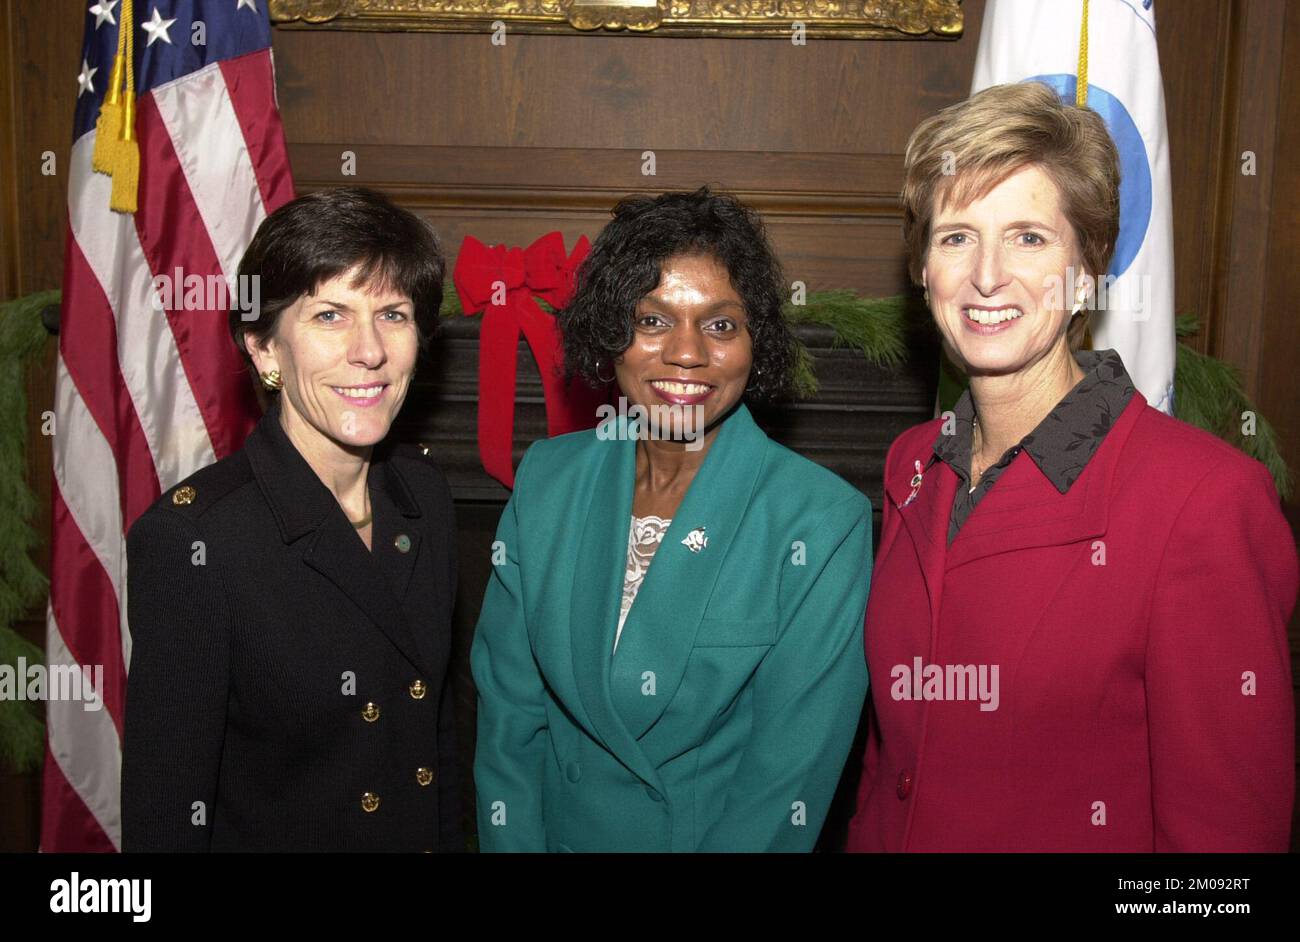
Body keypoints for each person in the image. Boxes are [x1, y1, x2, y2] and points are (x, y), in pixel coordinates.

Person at [846, 82, 1298, 852]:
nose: (987, 275)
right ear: (923, 268)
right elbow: (895, 762)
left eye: (1028, 237)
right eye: (956, 237)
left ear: (1086, 266)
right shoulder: (913, 464)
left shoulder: (1204, 499)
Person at [471, 187, 872, 852]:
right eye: (653, 321)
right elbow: (509, 723)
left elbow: (783, 786)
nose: (686, 354)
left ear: (755, 342)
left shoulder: (819, 523)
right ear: (611, 333)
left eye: (720, 325)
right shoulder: (547, 480)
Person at [121, 187, 463, 852]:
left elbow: (434, 741)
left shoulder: (425, 501)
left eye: (392, 314)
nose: (369, 351)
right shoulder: (197, 541)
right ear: (265, 350)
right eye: (330, 315)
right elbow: (166, 815)